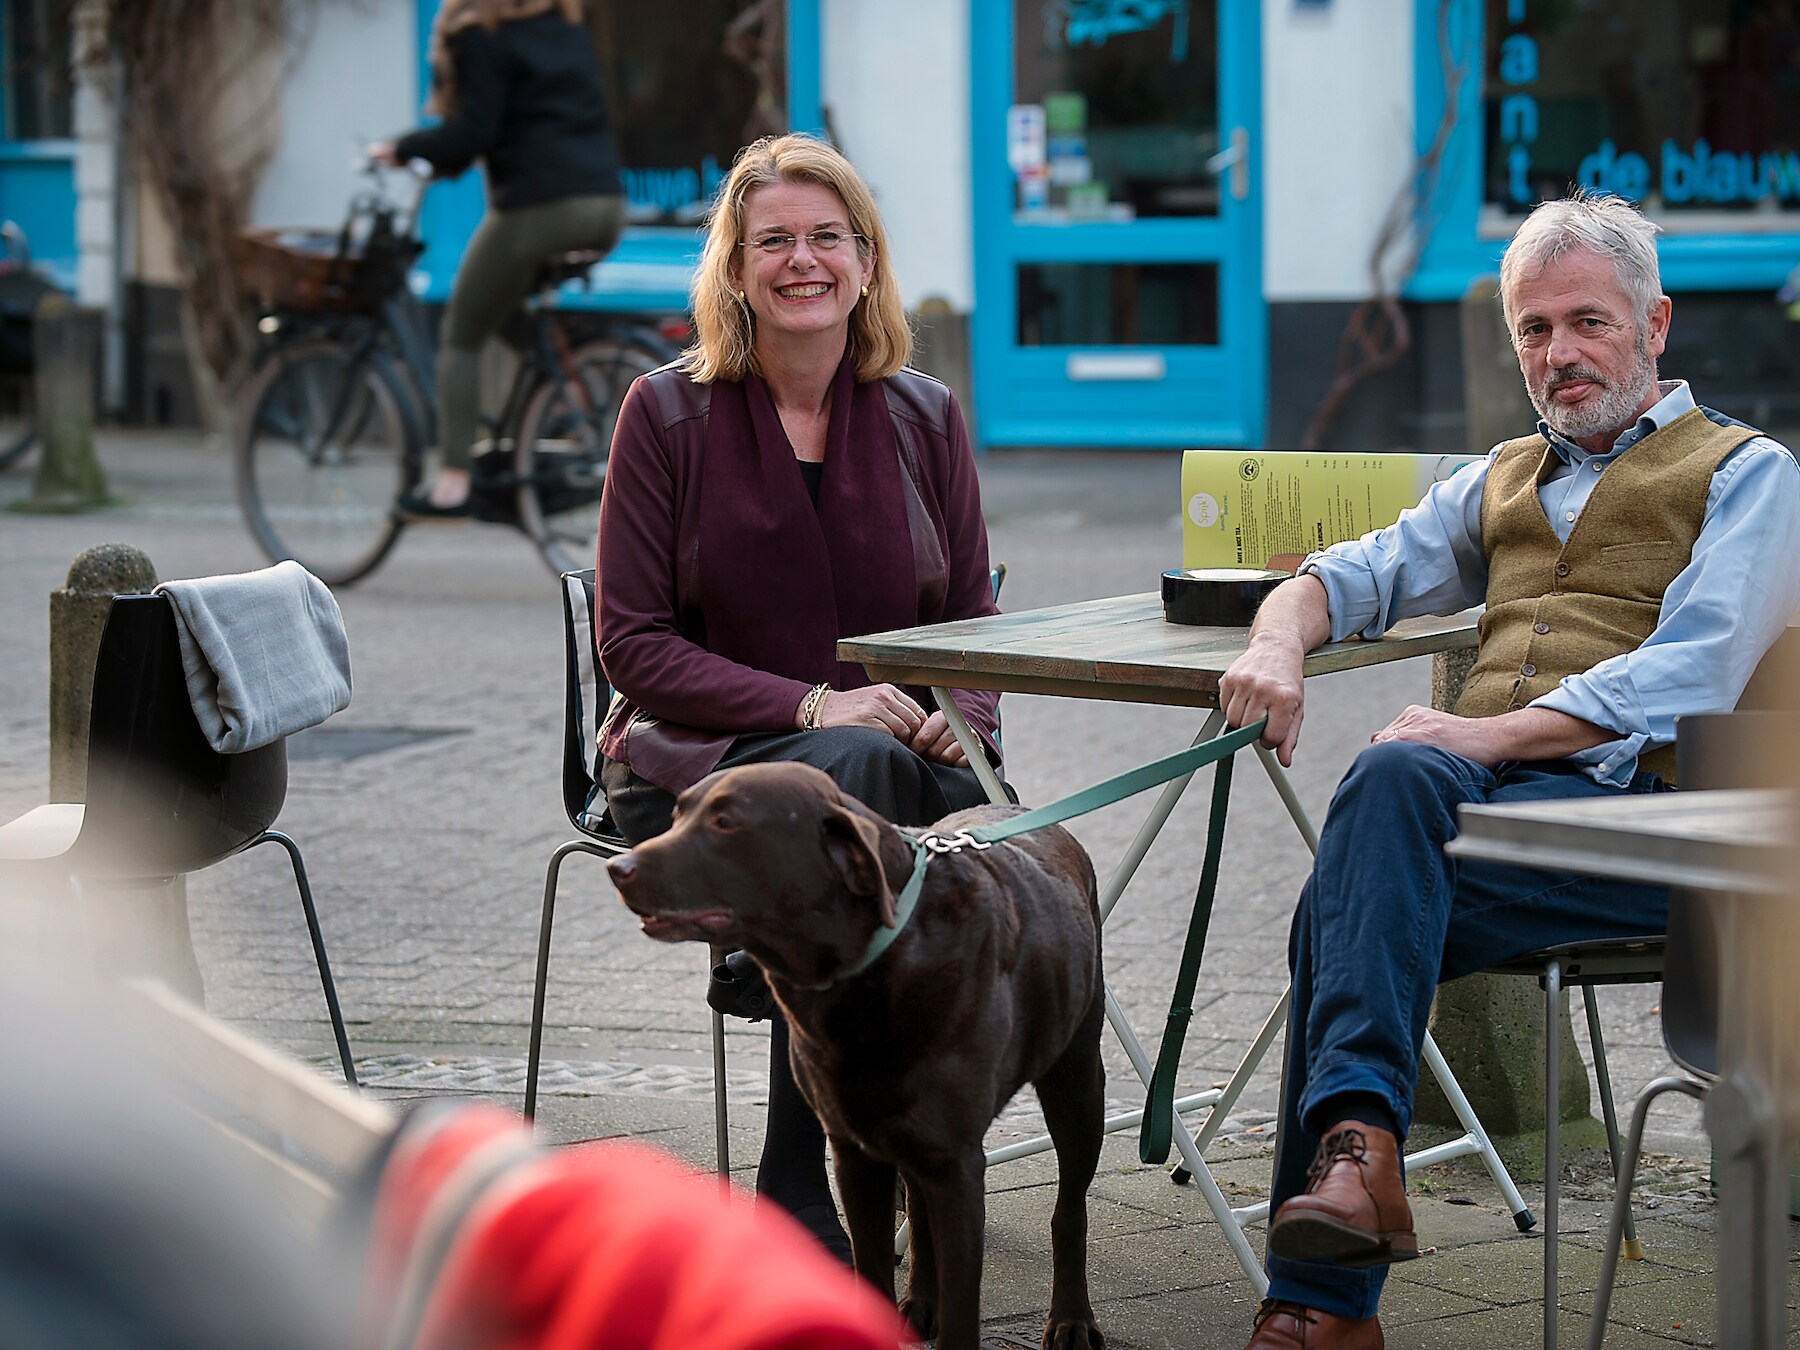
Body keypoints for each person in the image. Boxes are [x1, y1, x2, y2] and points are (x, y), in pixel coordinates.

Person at [1216, 190, 1800, 1349]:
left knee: (1355, 872)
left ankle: (1323, 1298)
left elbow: (1695, 670)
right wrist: (1277, 645)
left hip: (1667, 836)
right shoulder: (1501, 477)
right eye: (1535, 330)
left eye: (1588, 321)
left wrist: (1483, 735)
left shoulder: (1753, 474)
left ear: (1655, 326)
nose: (1560, 354)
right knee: (1371, 842)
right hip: (1509, 835)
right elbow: (1349, 572)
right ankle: (1353, 1179)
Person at [594, 133, 1002, 1260]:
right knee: (854, 802)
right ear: (733, 270)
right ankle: (831, 1168)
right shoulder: (663, 414)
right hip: (697, 769)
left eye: (828, 237)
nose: (801, 260)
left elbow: (971, 619)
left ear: (866, 263)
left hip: (902, 766)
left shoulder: (926, 418)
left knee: (873, 795)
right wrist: (819, 707)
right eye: (771, 240)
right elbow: (630, 642)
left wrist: (957, 716)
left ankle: (820, 1158)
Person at [370, 0, 624, 520]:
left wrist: (404, 148)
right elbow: (500, 128)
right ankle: (554, 395)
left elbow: (475, 132)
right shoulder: (565, 29)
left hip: (541, 208)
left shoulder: (483, 37)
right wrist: (446, 152)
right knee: (497, 304)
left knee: (461, 333)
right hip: (605, 206)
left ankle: (453, 483)